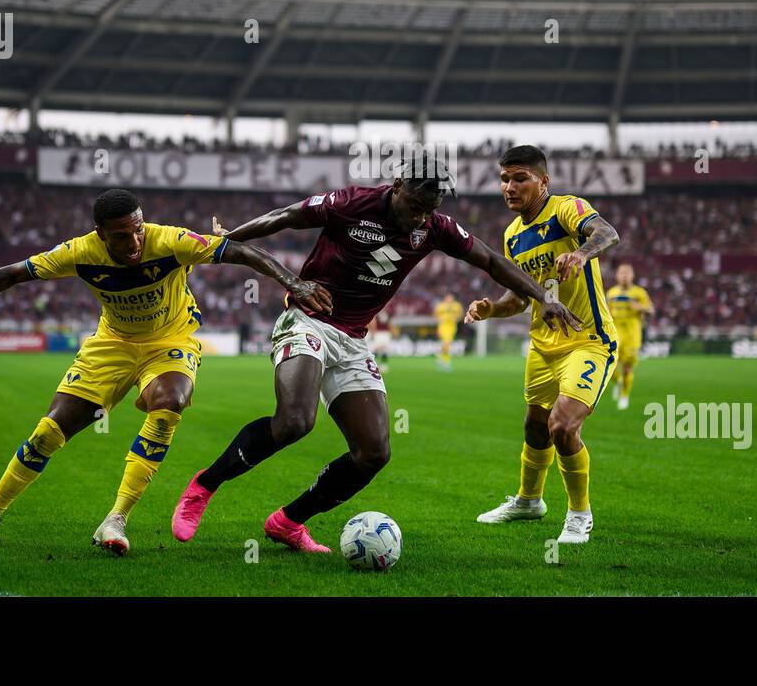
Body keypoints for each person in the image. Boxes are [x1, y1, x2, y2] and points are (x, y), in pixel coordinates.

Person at [171, 151, 579, 552]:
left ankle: (289, 522)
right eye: (416, 206)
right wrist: (224, 241)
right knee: (295, 421)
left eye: (428, 210)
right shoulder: (353, 203)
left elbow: (490, 260)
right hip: (308, 319)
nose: (420, 218)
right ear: (398, 187)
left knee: (374, 452)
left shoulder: (435, 227)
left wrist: (544, 296)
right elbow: (287, 216)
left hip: (353, 339)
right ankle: (204, 486)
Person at [0, 188, 329, 556]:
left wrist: (296, 283)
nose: (134, 242)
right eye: (121, 235)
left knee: (170, 401)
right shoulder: (79, 252)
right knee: (49, 431)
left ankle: (116, 518)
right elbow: (14, 273)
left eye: (137, 230)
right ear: (99, 233)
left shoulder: (168, 240)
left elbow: (240, 253)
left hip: (171, 340)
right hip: (112, 345)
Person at [465, 144, 620, 544]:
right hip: (542, 346)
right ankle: (529, 501)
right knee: (535, 428)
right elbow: (518, 298)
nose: (509, 187)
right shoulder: (512, 236)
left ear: (543, 181)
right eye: (504, 179)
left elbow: (607, 232)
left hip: (587, 340)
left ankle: (579, 514)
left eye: (520, 178)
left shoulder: (567, 209)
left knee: (563, 427)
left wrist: (583, 254)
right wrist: (490, 309)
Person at [605, 264, 653, 409]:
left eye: (627, 273)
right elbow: (606, 311)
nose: (624, 276)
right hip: (615, 333)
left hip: (632, 335)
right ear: (617, 276)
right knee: (609, 364)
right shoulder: (611, 293)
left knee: (627, 368)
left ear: (632, 276)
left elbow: (651, 309)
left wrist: (640, 308)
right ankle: (618, 382)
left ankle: (624, 395)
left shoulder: (640, 293)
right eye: (622, 273)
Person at [433, 293, 463, 371]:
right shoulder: (441, 305)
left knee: (446, 343)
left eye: (451, 298)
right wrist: (439, 319)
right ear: (445, 298)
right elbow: (435, 314)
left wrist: (457, 318)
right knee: (447, 343)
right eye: (448, 298)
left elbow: (460, 314)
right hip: (443, 326)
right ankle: (446, 362)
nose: (449, 299)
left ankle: (439, 356)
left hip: (452, 326)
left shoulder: (457, 305)